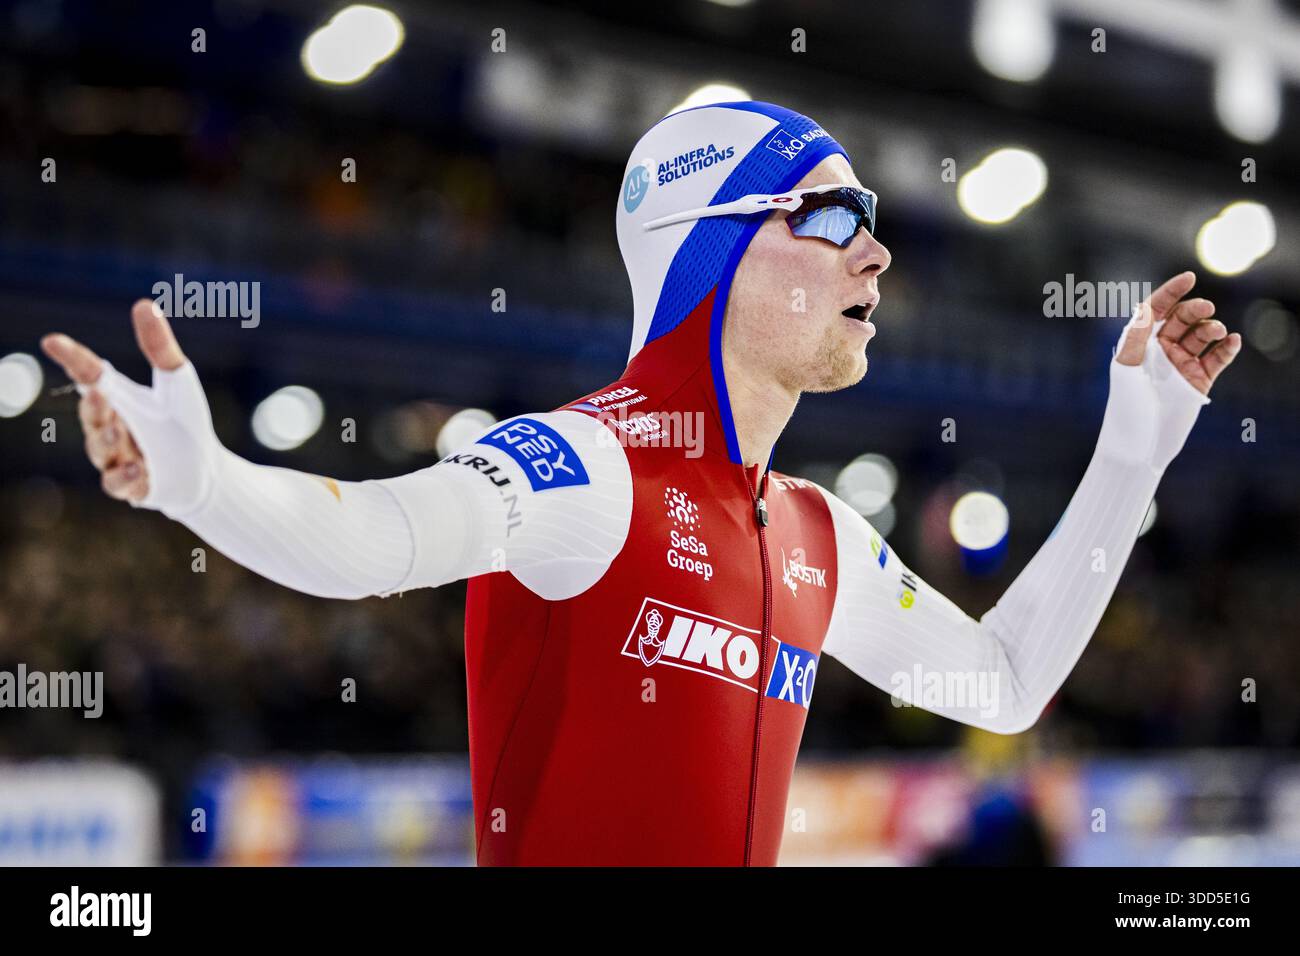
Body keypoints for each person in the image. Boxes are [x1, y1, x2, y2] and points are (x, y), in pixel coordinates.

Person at [40, 101, 1240, 865]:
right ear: (710, 252)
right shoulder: (589, 464)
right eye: (830, 216)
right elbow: (375, 538)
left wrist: (1131, 456)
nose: (875, 248)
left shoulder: (813, 532)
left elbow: (1007, 683)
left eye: (872, 221)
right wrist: (202, 483)